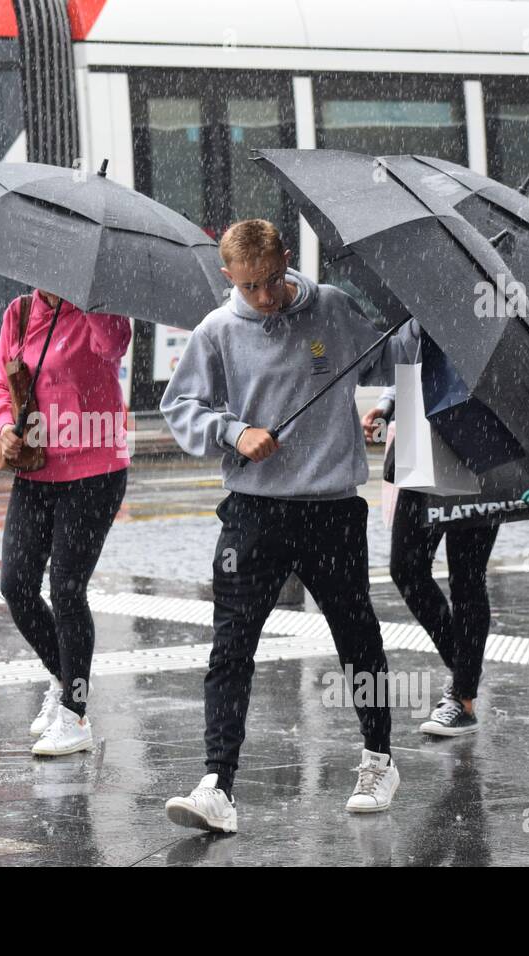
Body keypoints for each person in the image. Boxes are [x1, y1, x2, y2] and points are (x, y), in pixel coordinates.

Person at [160, 219, 417, 831]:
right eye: (250, 286)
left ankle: (380, 759)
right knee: (231, 647)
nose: (266, 296)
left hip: (331, 509)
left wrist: (412, 312)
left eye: (273, 279)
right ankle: (217, 786)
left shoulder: (331, 306)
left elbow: (393, 356)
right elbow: (180, 406)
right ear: (229, 279)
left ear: (286, 261)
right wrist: (234, 431)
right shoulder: (217, 331)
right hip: (253, 512)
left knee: (357, 638)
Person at [0, 289, 132, 757]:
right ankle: (61, 676)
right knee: (16, 585)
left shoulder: (101, 310)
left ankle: (74, 713)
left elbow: (114, 346)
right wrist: (6, 424)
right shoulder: (21, 312)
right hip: (36, 467)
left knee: (67, 589)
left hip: (95, 469)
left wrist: (91, 304)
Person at [362, 387, 501, 737]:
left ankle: (463, 699)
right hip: (421, 438)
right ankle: (464, 667)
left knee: (467, 576)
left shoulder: (495, 331)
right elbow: (407, 363)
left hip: (480, 439)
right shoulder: (419, 328)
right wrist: (387, 403)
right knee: (406, 568)